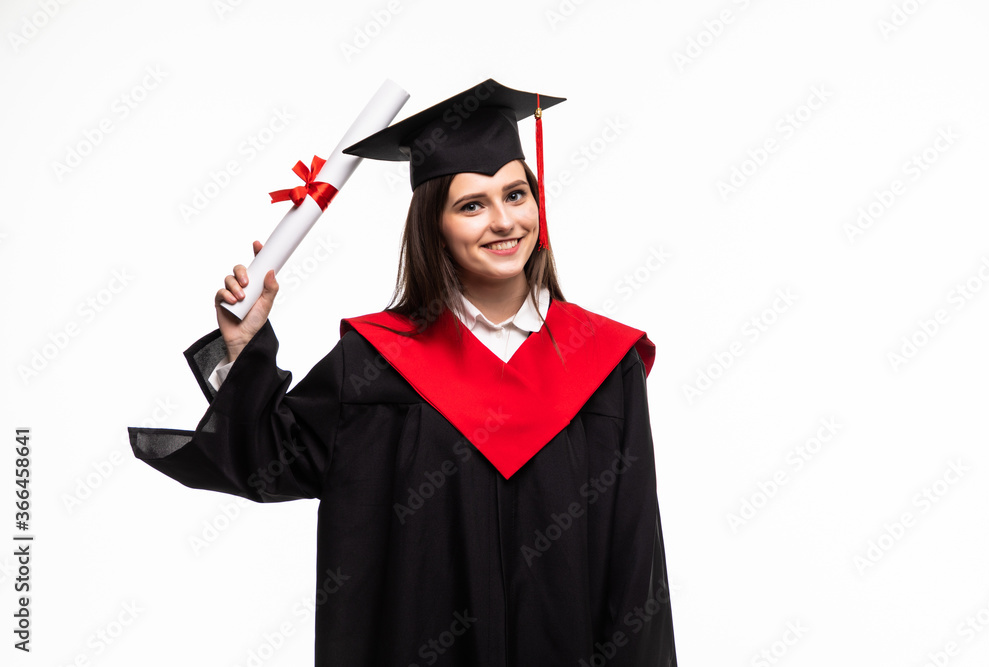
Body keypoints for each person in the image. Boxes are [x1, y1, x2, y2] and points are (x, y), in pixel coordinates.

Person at [128, 79, 678, 666]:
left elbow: (634, 555)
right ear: (433, 225)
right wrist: (244, 349)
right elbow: (267, 464)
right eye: (472, 205)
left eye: (516, 195)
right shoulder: (376, 363)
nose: (503, 221)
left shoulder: (603, 363)